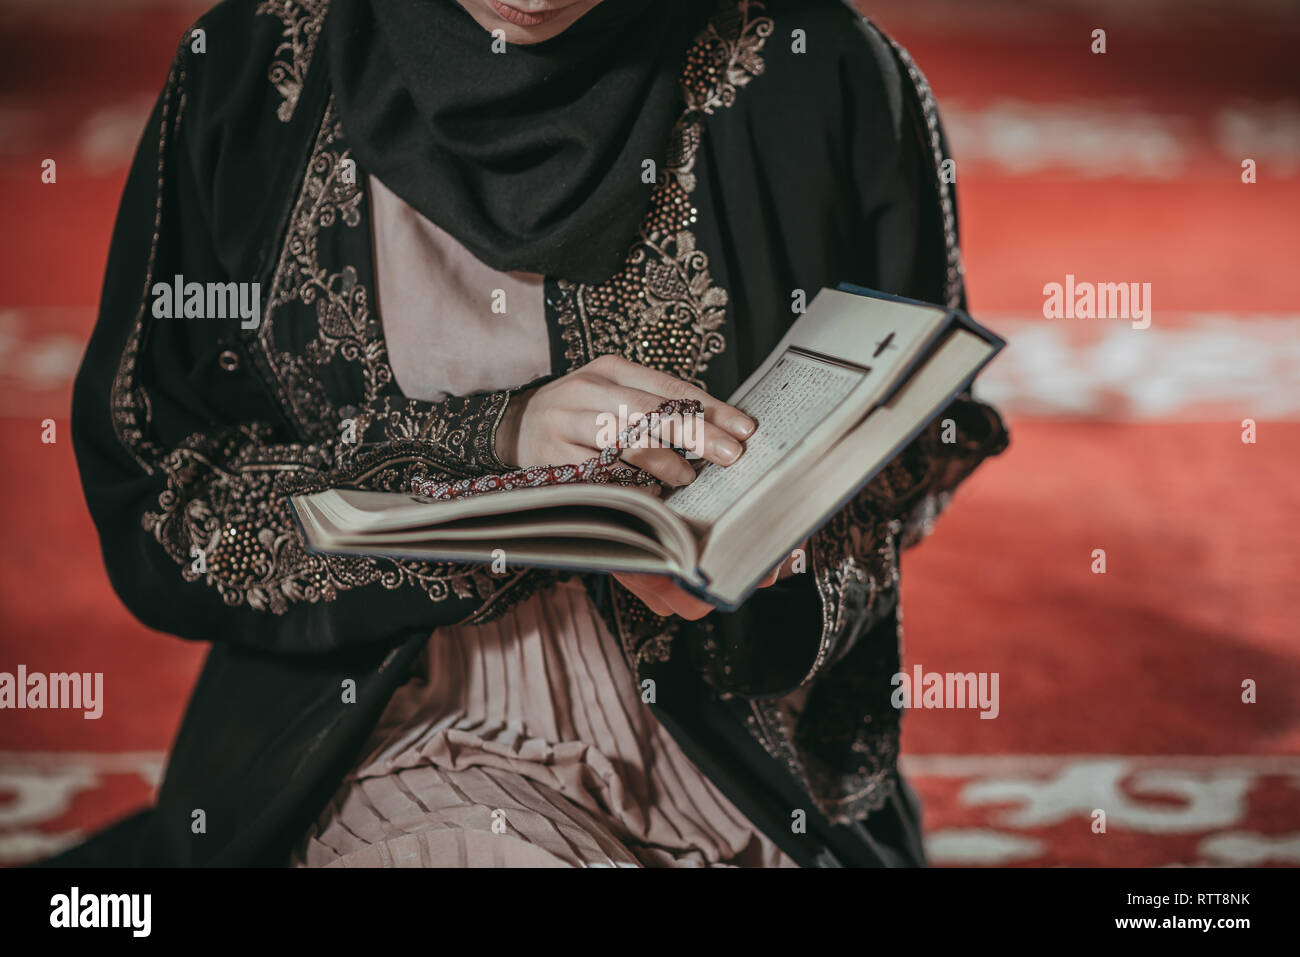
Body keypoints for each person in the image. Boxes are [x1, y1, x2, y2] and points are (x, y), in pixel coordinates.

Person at [52, 0, 1007, 868]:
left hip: (736, 757)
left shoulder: (818, 69)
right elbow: (167, 501)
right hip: (391, 735)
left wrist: (769, 549)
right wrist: (496, 442)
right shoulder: (256, 75)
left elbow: (908, 451)